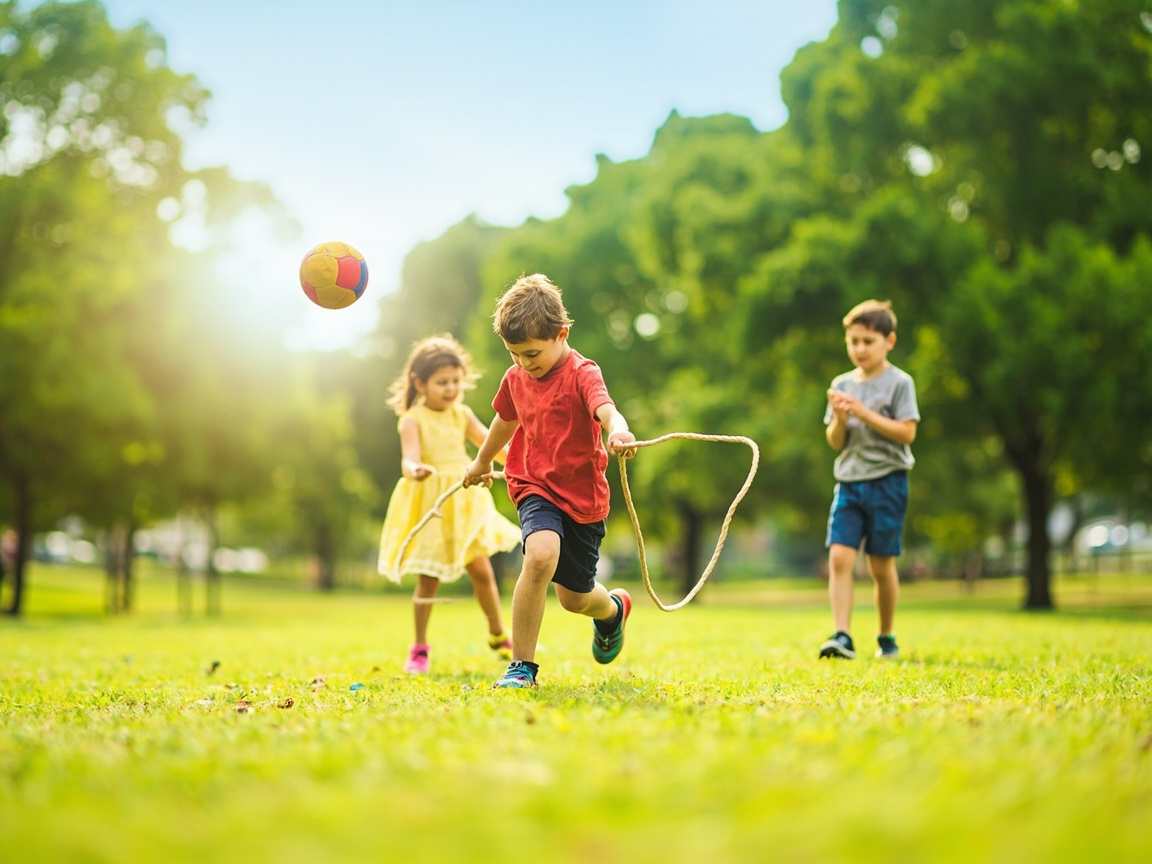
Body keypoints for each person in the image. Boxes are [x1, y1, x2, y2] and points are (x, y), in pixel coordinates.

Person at [462, 273, 638, 690]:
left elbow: (607, 410)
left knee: (574, 599)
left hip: (582, 496)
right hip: (533, 483)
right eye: (514, 354)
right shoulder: (515, 379)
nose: (524, 363)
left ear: (561, 334)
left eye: (532, 353)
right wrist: (482, 461)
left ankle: (612, 611)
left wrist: (619, 431)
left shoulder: (582, 373)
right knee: (540, 555)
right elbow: (504, 422)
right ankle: (521, 667)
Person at [377, 334, 521, 674]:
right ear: (420, 383)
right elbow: (408, 460)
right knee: (428, 580)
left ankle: (499, 634)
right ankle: (419, 649)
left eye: (456, 381)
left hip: (465, 501)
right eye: (442, 382)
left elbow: (494, 447)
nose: (451, 389)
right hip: (433, 506)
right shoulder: (413, 418)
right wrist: (416, 470)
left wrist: (521, 462)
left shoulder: (462, 415)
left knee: (483, 572)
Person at [820, 299, 919, 660]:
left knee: (880, 565)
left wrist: (863, 412)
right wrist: (842, 419)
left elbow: (907, 433)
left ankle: (886, 636)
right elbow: (835, 442)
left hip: (887, 483)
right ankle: (842, 635)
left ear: (889, 341)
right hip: (848, 482)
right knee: (840, 558)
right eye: (853, 341)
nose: (859, 349)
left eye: (868, 341)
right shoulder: (841, 384)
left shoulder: (899, 383)